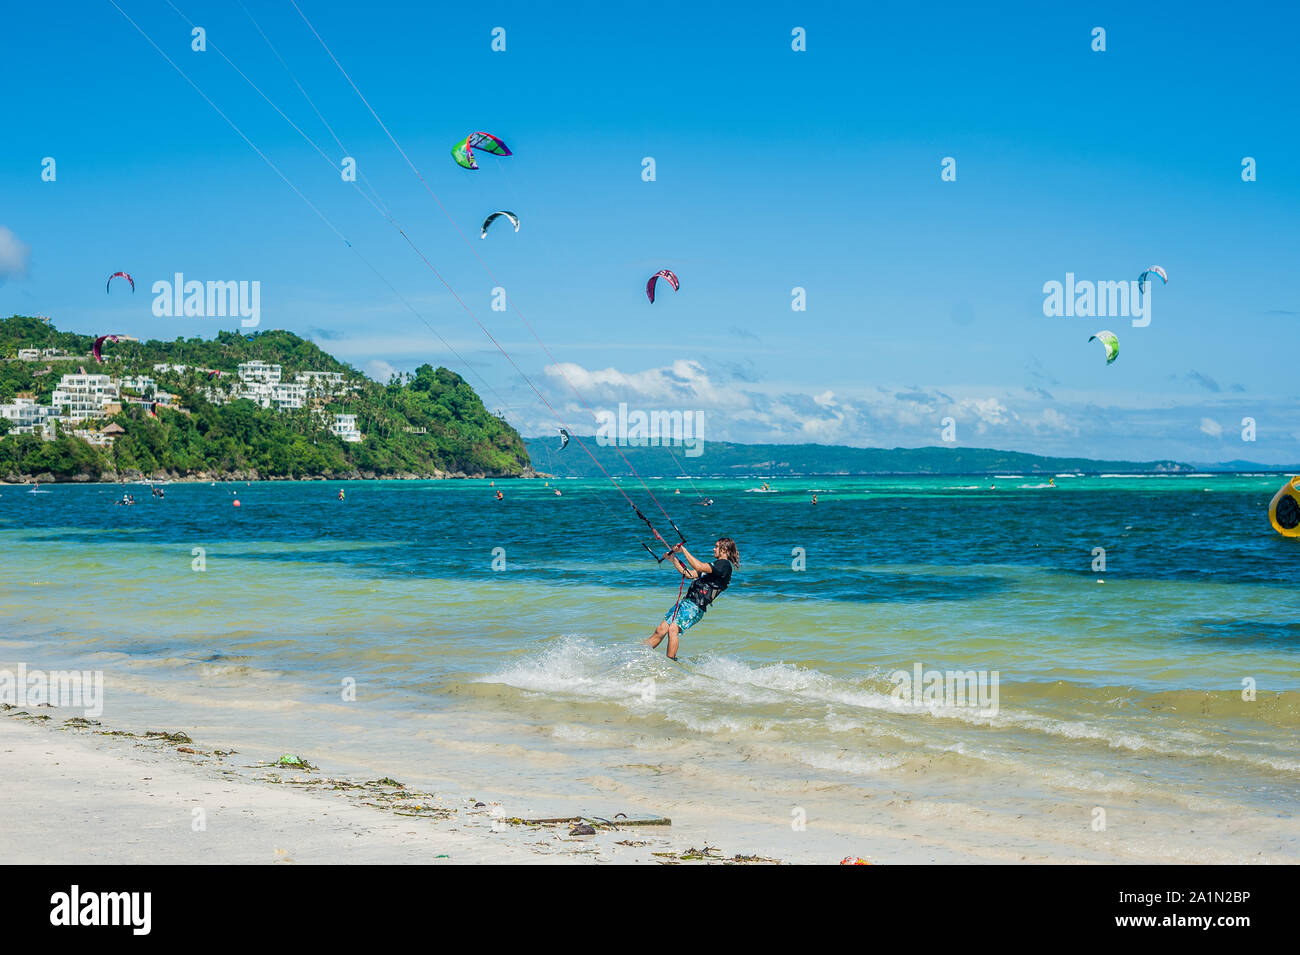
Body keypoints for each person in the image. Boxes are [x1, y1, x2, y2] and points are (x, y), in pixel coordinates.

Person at [644, 537, 739, 661]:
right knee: (661, 629)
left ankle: (670, 663)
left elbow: (699, 566)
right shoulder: (715, 566)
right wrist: (673, 559)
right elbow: (688, 574)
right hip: (685, 603)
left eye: (716, 546)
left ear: (724, 549)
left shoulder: (724, 565)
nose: (714, 548)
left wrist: (683, 550)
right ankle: (639, 652)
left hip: (695, 607)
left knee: (673, 628)